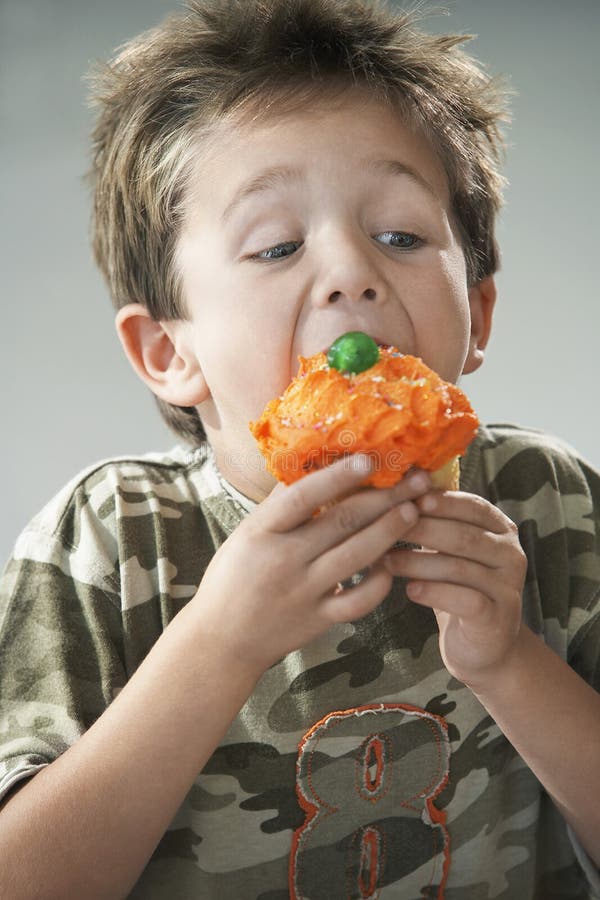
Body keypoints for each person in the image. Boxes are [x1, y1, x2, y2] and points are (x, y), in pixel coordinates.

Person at [1, 0, 599, 896]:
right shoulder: (108, 540)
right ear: (170, 353)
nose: (352, 271)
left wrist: (509, 663)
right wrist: (219, 645)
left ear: (475, 316)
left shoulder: (549, 501)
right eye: (277, 245)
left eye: (400, 235)